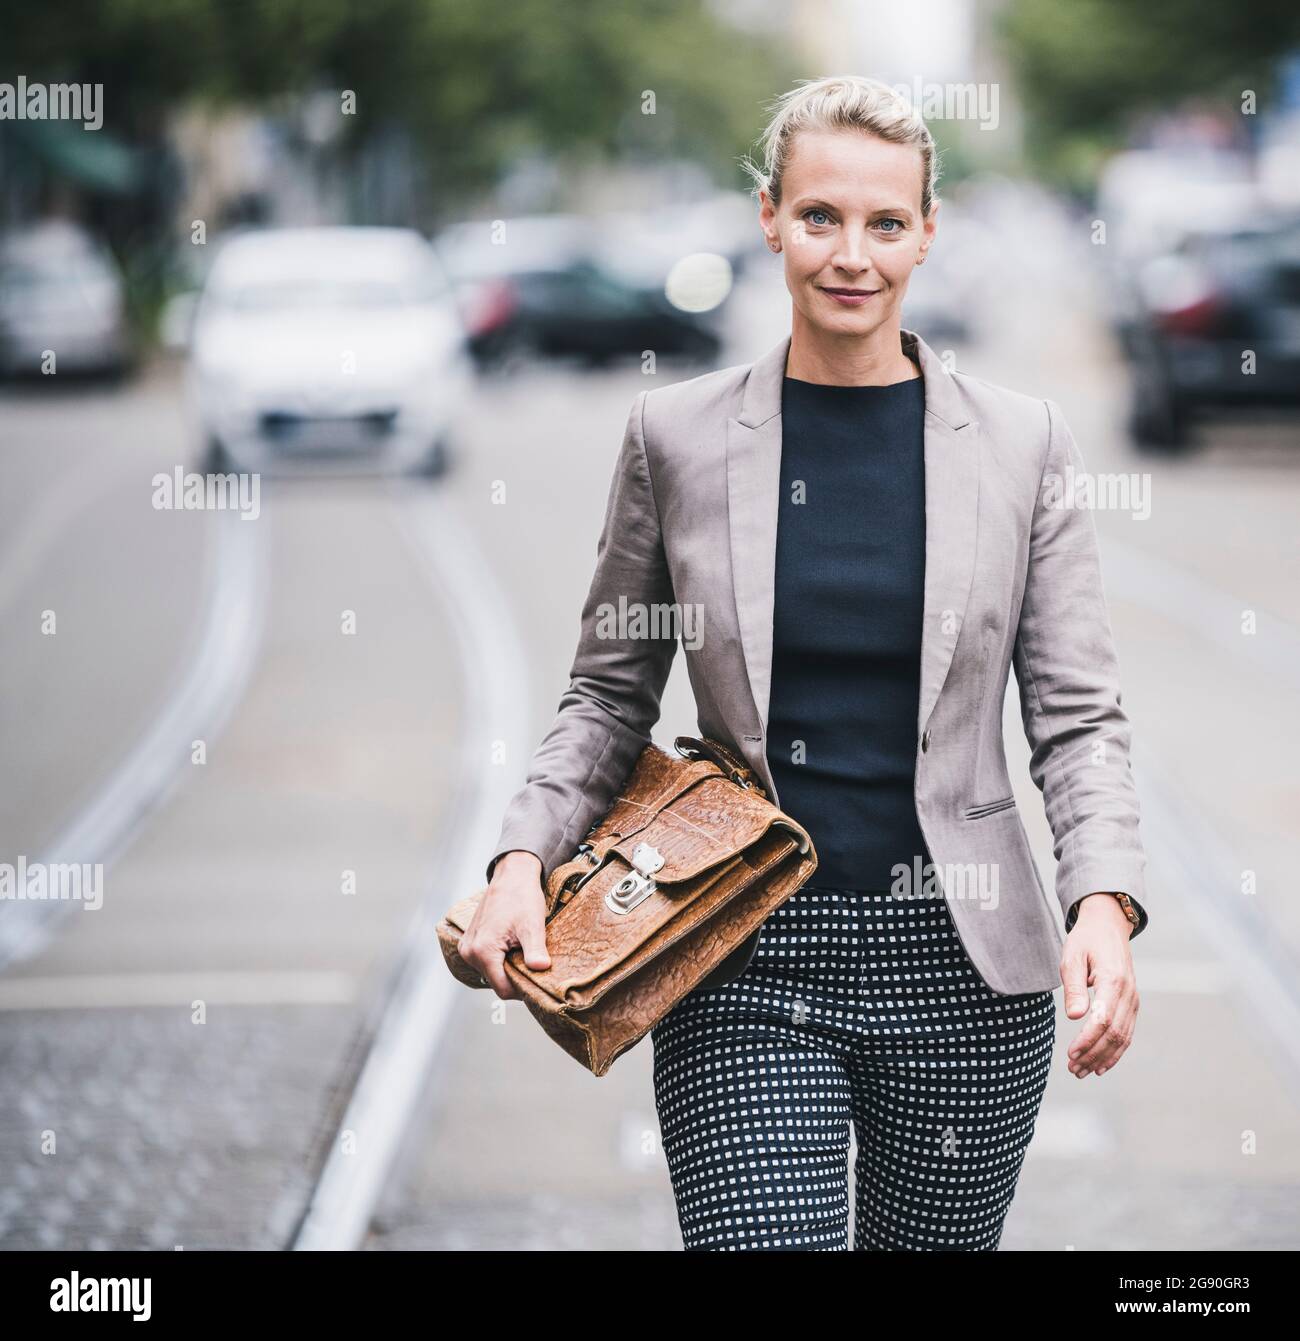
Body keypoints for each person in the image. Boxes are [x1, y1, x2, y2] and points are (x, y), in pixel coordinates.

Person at [459, 74, 1149, 1251]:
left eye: (886, 223)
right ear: (768, 216)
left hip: (964, 971)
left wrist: (1104, 902)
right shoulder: (673, 438)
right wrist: (525, 855)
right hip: (740, 951)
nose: (852, 254)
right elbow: (606, 690)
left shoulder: (1022, 445)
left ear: (927, 234)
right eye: (821, 216)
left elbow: (1076, 717)